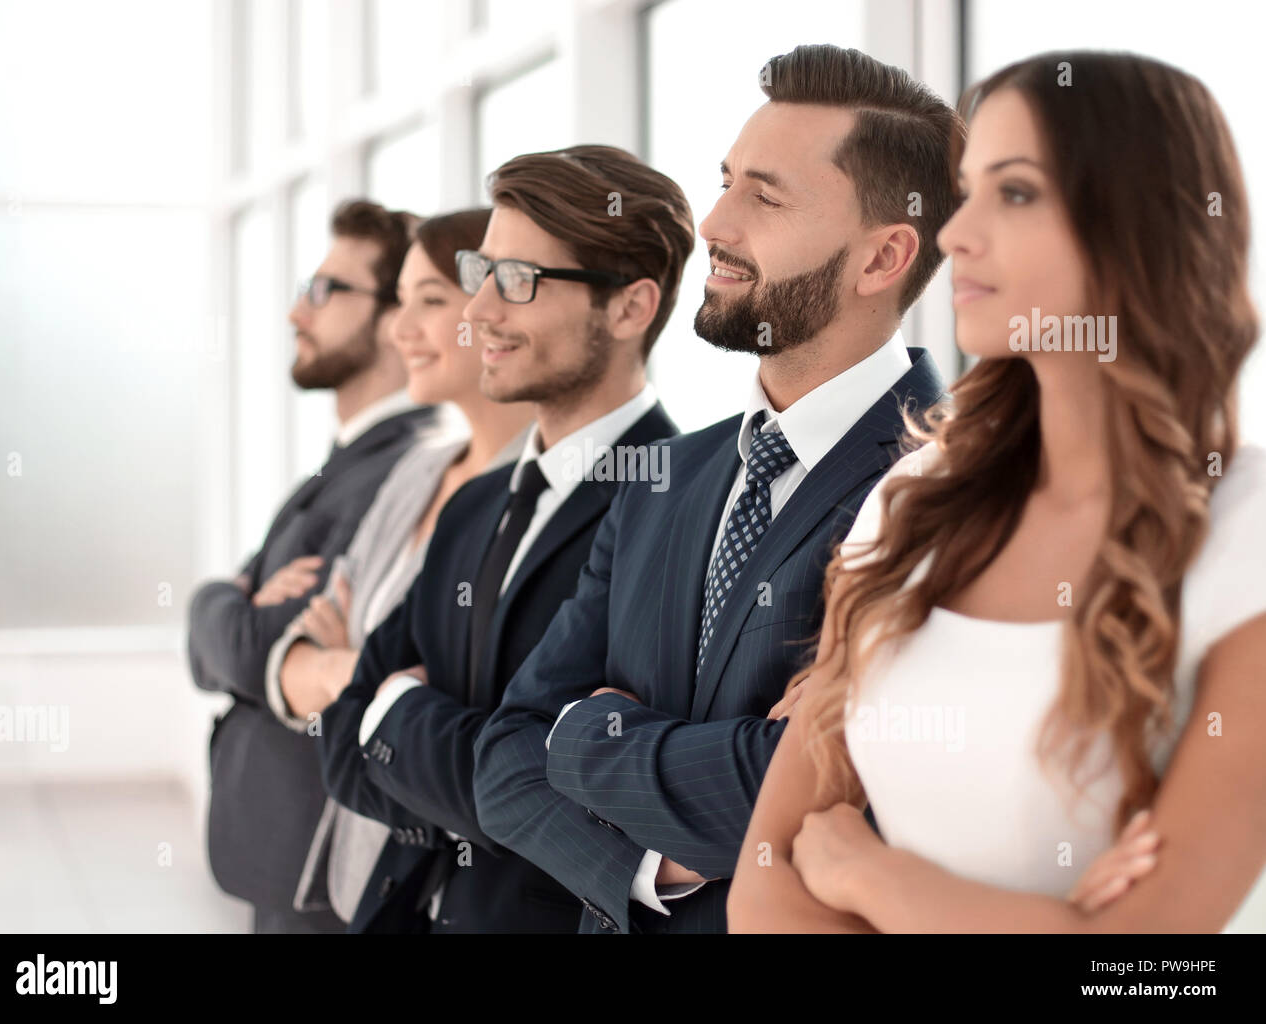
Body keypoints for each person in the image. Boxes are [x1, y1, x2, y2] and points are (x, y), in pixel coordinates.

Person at [729, 50, 1266, 933]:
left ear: (1138, 225)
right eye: (967, 191)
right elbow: (762, 895)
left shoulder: (1246, 532)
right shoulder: (910, 505)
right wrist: (1038, 921)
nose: (954, 235)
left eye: (1014, 193)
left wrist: (872, 876)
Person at [474, 44, 950, 934]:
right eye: (725, 182)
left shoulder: (948, 488)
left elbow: (819, 794)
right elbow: (503, 759)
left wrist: (583, 736)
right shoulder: (665, 479)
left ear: (883, 257)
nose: (716, 223)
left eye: (765, 197)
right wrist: (652, 865)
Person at [317, 144, 693, 933]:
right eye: (480, 272)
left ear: (630, 308)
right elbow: (346, 744)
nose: (477, 311)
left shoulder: (678, 508)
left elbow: (595, 799)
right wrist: (473, 769)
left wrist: (400, 711)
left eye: (518, 280)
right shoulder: (476, 502)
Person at [261, 208, 534, 928]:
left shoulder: (534, 492)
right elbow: (313, 639)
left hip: (442, 876)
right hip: (357, 861)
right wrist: (361, 676)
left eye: (431, 302)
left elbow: (461, 714)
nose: (400, 329)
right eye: (401, 301)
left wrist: (348, 675)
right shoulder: (419, 468)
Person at [188, 200, 436, 934]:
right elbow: (224, 645)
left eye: (327, 291)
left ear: (397, 317)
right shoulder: (346, 464)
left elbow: (261, 642)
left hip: (323, 873)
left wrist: (222, 604)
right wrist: (224, 602)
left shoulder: (404, 472)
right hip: (282, 855)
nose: (298, 312)